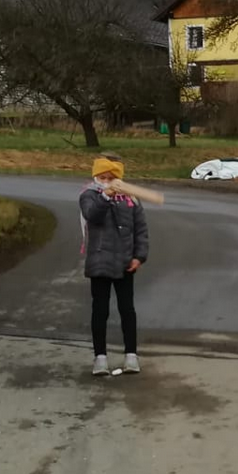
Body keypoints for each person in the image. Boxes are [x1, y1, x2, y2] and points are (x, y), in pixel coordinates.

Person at [80, 155, 149, 375]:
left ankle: (131, 355)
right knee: (100, 310)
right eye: (103, 177)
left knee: (127, 309)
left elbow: (141, 230)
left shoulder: (131, 200)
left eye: (112, 178)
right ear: (95, 176)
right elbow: (92, 216)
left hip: (125, 262)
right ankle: (100, 358)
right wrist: (105, 197)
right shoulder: (89, 195)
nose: (107, 181)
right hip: (99, 262)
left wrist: (139, 256)